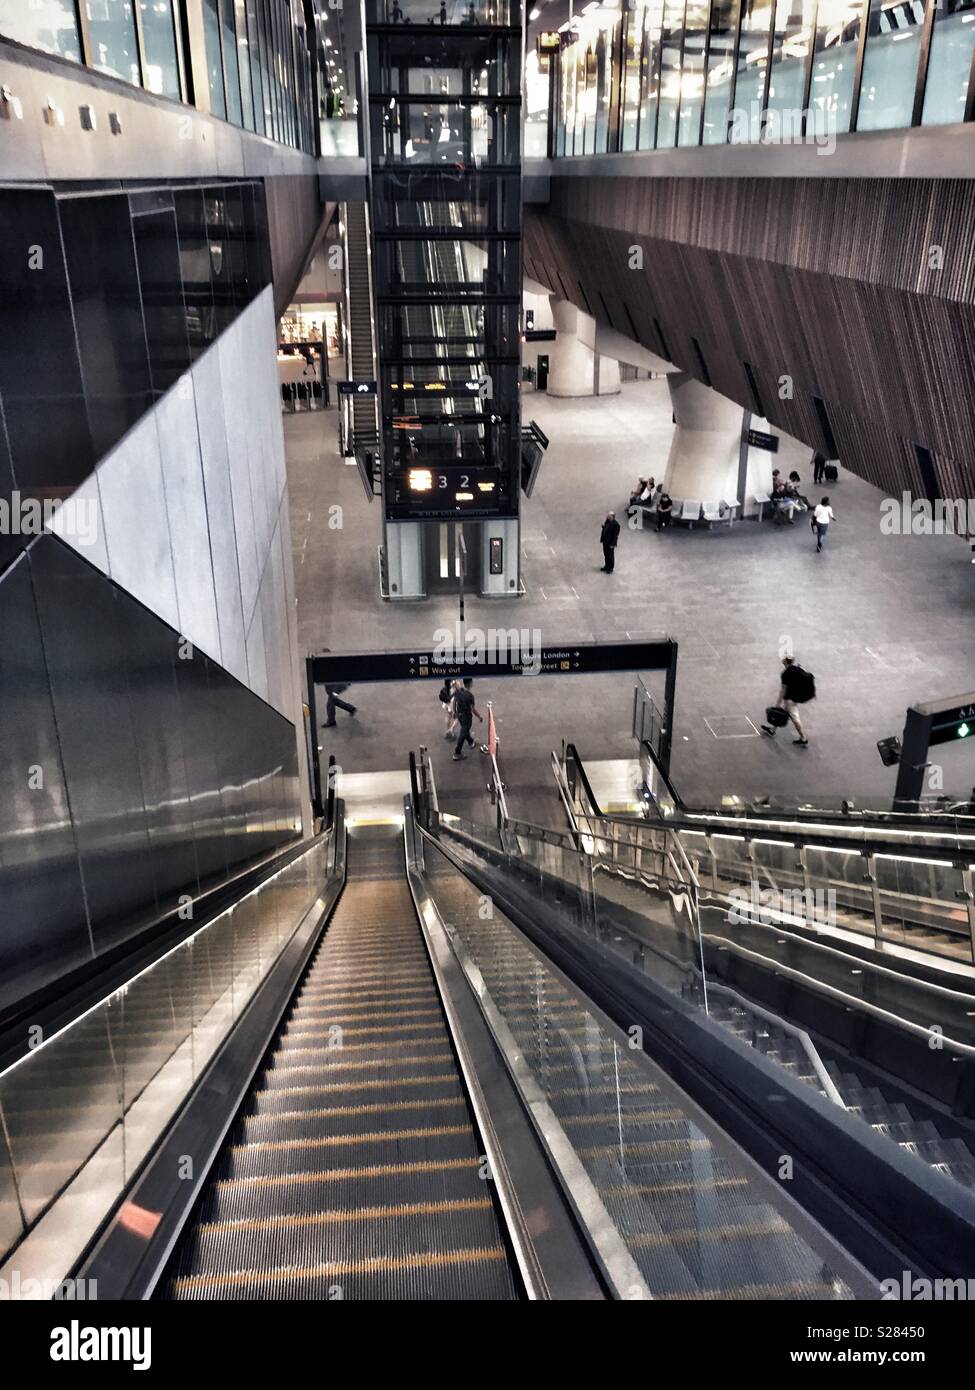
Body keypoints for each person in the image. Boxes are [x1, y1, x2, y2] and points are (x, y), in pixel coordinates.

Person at [760, 655, 812, 746]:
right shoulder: (797, 668)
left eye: (784, 659)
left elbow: (783, 690)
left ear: (785, 662)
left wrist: (778, 703)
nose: (782, 660)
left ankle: (803, 738)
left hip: (790, 699)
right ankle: (772, 730)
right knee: (782, 713)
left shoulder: (785, 673)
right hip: (796, 696)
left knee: (795, 718)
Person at [452, 677, 483, 760]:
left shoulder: (459, 691)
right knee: (463, 733)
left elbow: (454, 701)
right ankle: (457, 753)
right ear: (471, 683)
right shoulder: (470, 696)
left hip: (459, 716)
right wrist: (479, 716)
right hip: (466, 717)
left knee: (464, 730)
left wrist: (454, 712)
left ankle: (470, 741)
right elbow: (472, 709)